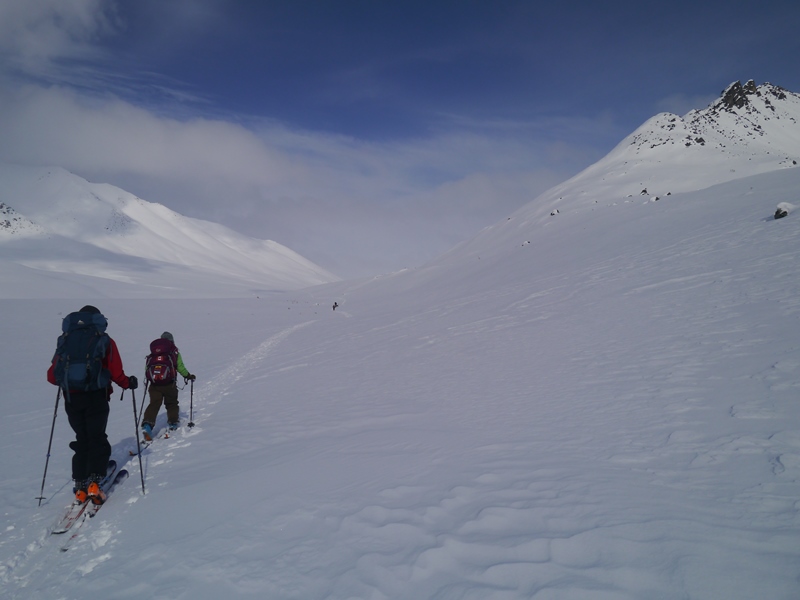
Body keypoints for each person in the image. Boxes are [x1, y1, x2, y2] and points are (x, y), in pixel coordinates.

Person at [47, 305, 137, 504]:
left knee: (82, 438)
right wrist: (127, 383)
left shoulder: (66, 339)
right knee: (97, 437)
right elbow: (115, 370)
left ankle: (80, 485)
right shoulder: (104, 340)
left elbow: (52, 376)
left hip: (72, 398)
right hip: (96, 396)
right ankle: (95, 482)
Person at [141, 331, 195, 439]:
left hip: (154, 384)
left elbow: (147, 368)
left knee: (154, 404)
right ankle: (173, 423)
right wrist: (188, 376)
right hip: (169, 384)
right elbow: (180, 367)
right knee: (171, 403)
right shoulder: (174, 352)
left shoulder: (154, 353)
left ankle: (147, 425)